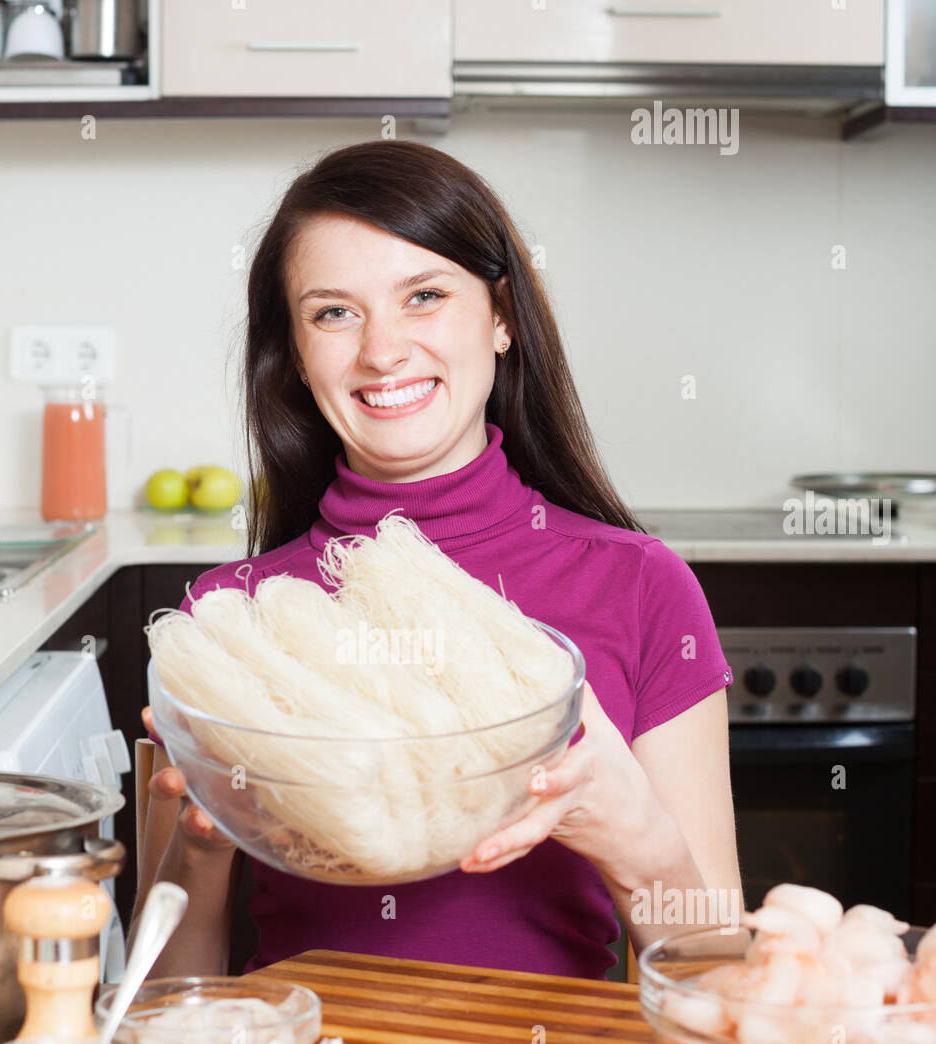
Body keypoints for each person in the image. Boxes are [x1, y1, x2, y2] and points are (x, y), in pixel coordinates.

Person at [132, 140, 741, 982]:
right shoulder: (232, 622)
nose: (382, 351)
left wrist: (635, 835)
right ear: (298, 358)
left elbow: (722, 980)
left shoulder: (640, 588)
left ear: (501, 318)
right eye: (333, 313)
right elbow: (167, 1003)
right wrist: (198, 853)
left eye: (424, 296)